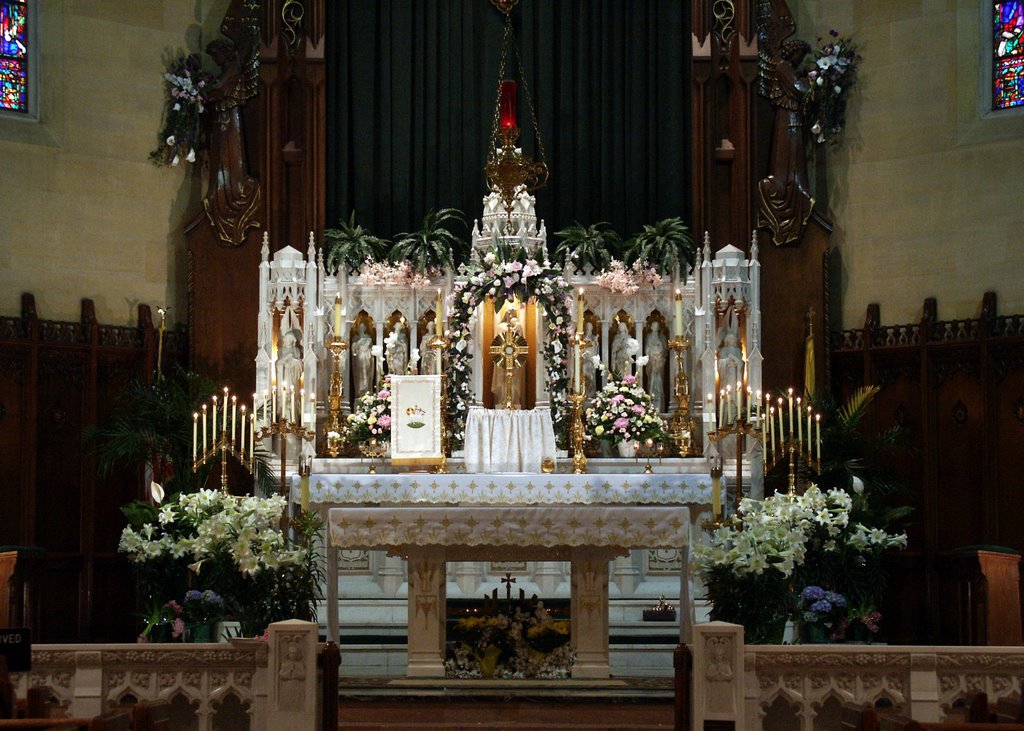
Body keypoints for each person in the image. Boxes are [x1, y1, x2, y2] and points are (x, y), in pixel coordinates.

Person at [201, 11, 261, 246]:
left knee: (230, 158)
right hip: (222, 121)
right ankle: (226, 195)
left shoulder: (234, 66)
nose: (216, 61)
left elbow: (221, 88)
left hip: (229, 121)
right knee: (221, 161)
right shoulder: (230, 67)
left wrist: (201, 91)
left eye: (216, 56)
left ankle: (236, 191)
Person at [276, 328, 303, 409]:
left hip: (293, 375)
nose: (288, 340)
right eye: (286, 338)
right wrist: (286, 359)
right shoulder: (281, 350)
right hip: (284, 374)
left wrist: (293, 361)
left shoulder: (296, 350)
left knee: (293, 394)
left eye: (289, 339)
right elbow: (278, 363)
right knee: (284, 393)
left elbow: (300, 363)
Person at [645, 321, 668, 412]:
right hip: (651, 362)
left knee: (658, 382)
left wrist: (659, 350)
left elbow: (664, 350)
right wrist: (651, 352)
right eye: (653, 325)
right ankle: (650, 403)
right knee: (651, 381)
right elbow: (646, 349)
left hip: (659, 362)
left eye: (657, 326)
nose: (655, 327)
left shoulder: (661, 337)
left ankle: (659, 405)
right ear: (650, 327)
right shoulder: (649, 337)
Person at [351, 323, 374, 397]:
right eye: (360, 327)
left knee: (366, 373)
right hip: (359, 357)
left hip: (366, 357)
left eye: (363, 327)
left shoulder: (368, 337)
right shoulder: (355, 338)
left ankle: (366, 390)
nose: (361, 328)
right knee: (360, 374)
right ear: (357, 328)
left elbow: (371, 350)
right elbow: (353, 351)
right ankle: (360, 391)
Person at [580, 321, 598, 400]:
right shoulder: (583, 337)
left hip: (591, 359)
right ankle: (584, 392)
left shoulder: (594, 337)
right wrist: (583, 353)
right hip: (584, 360)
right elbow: (579, 347)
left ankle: (591, 393)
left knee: (591, 376)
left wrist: (596, 342)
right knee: (584, 375)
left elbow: (596, 348)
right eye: (587, 327)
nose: (588, 329)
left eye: (590, 327)